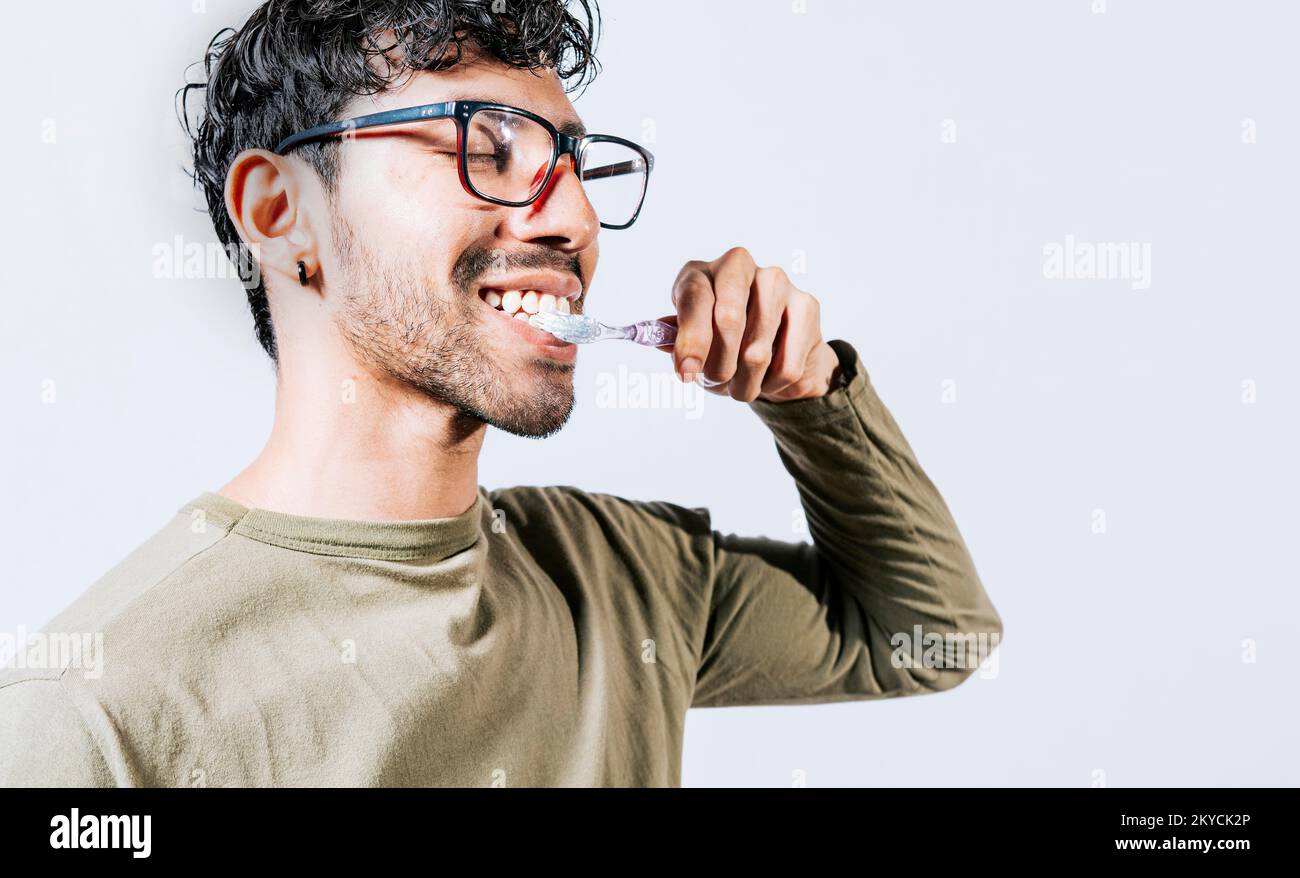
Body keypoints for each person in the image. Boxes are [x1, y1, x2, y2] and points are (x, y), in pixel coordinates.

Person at [0, 0, 1002, 787]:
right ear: (283, 212)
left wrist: (805, 391)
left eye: (570, 157)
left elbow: (931, 634)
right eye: (487, 142)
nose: (569, 214)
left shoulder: (626, 577)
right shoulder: (91, 718)